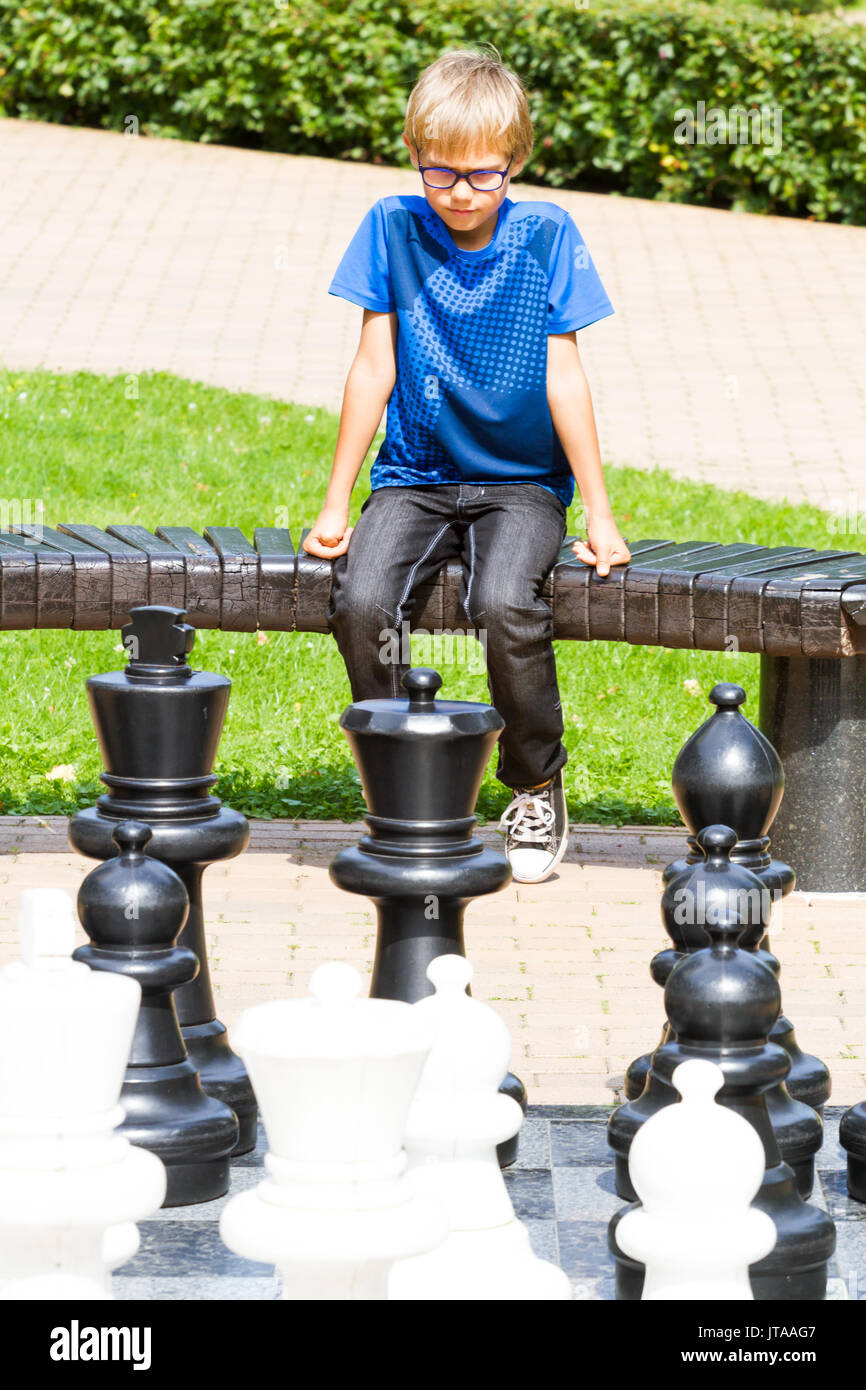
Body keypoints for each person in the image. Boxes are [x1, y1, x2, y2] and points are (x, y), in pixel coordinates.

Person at [304, 45, 631, 883]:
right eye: (438, 172)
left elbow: (565, 374)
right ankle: (410, 783)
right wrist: (336, 502)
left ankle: (533, 784)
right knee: (364, 600)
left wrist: (598, 514)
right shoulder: (390, 227)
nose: (457, 193)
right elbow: (373, 365)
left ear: (515, 161)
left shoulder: (546, 234)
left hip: (520, 484)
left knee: (502, 603)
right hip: (414, 475)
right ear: (415, 157)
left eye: (481, 176)